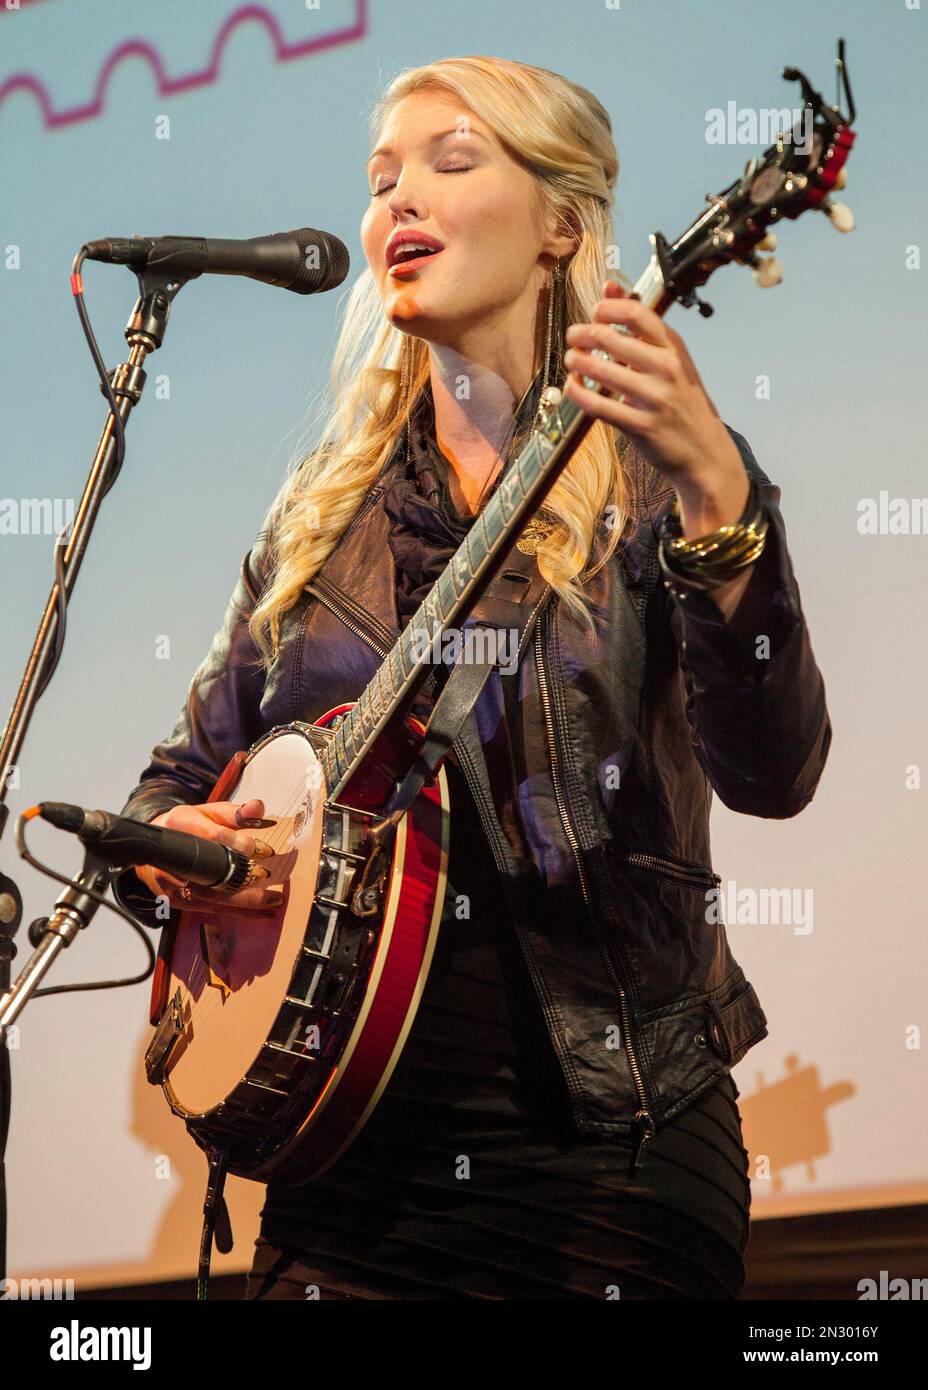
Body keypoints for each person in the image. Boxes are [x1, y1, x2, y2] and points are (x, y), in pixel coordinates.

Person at [113, 55, 831, 1300]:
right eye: (382, 179)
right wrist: (179, 843)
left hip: (608, 1160)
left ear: (564, 222)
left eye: (452, 164)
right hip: (338, 1169)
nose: (400, 202)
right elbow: (172, 785)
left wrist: (722, 496)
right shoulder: (318, 524)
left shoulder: (664, 477)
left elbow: (773, 771)